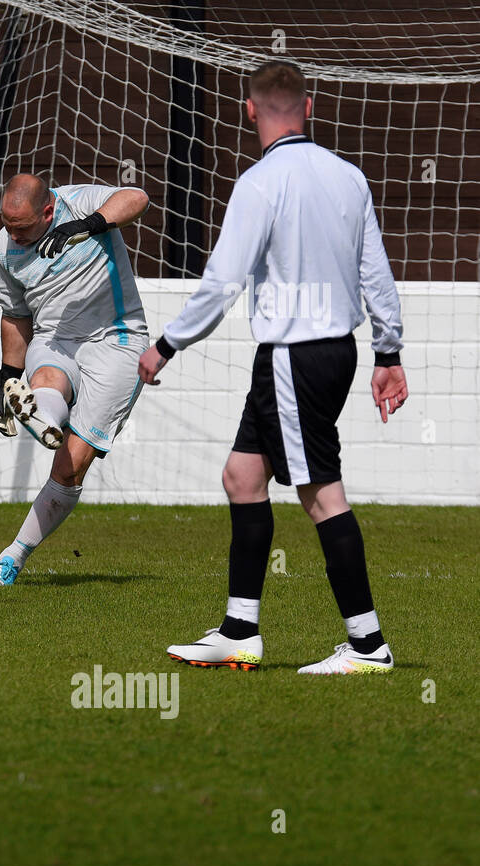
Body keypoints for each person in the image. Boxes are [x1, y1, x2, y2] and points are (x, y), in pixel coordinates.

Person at [139, 60, 408, 675]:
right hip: (328, 354)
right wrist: (388, 353)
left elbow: (222, 282)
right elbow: (377, 276)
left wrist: (166, 345)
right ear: (309, 107)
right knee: (242, 476)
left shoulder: (260, 184)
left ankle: (368, 646)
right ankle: (239, 631)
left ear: (251, 111)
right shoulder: (349, 178)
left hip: (294, 356)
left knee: (321, 495)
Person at [0, 173, 151, 586]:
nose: (14, 237)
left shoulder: (77, 202)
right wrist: (6, 377)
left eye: (23, 228)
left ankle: (14, 554)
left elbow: (137, 197)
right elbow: (16, 315)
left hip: (117, 341)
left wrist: (90, 224)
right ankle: (38, 411)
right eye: (7, 226)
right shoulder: (6, 248)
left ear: (48, 211)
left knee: (71, 466)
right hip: (54, 338)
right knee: (45, 377)